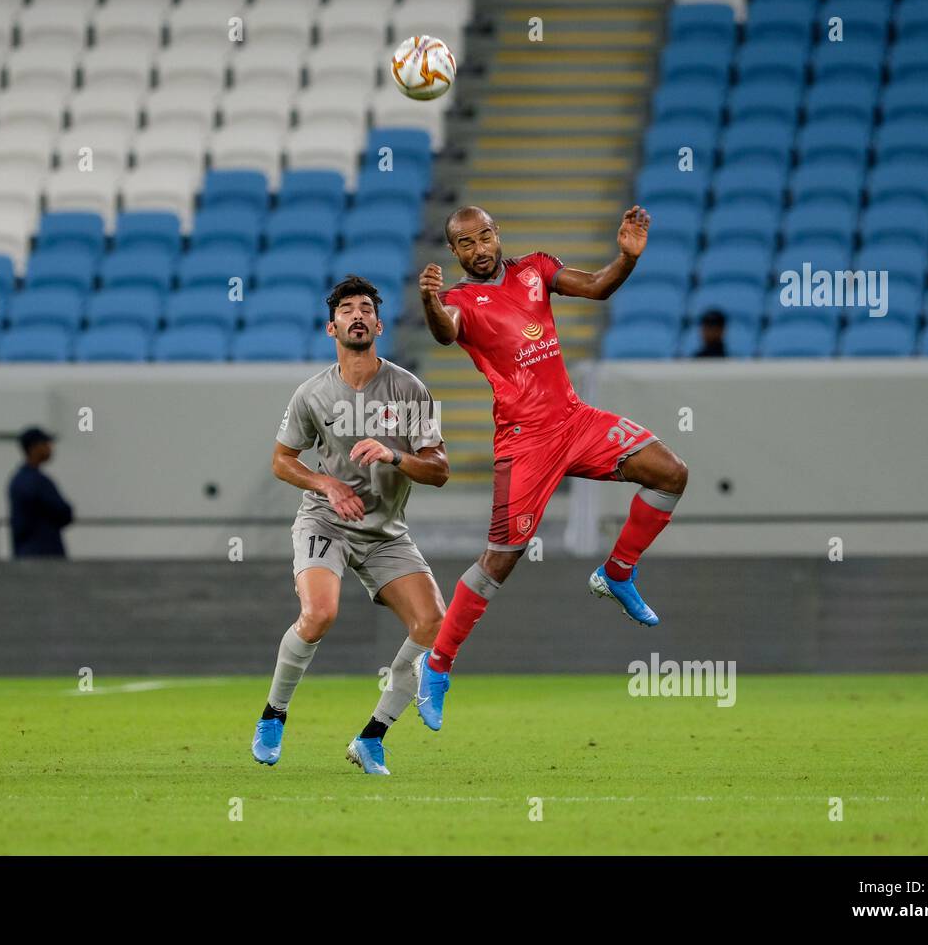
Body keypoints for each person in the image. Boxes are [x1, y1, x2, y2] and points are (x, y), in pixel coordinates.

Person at [413, 205, 689, 729]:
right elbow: (445, 333)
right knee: (499, 561)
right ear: (453, 253)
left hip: (575, 419)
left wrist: (626, 259)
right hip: (525, 441)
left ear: (498, 234)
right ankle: (439, 664)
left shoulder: (535, 269)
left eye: (484, 236)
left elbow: (599, 285)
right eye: (465, 243)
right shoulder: (457, 300)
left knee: (671, 472)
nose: (478, 249)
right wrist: (428, 300)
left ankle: (617, 572)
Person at [253, 275, 449, 775]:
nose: (357, 314)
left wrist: (394, 455)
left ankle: (371, 737)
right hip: (327, 521)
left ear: (379, 324)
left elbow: (440, 470)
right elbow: (281, 460)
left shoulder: (410, 389)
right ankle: (274, 714)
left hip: (385, 531)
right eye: (347, 309)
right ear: (331, 327)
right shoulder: (312, 393)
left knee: (434, 624)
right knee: (320, 614)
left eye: (365, 308)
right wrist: (326, 485)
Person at [7, 426, 73, 558]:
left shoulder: (18, 479)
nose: (50, 448)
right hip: (44, 553)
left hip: (25, 552)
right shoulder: (37, 481)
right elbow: (63, 512)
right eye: (45, 443)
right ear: (33, 448)